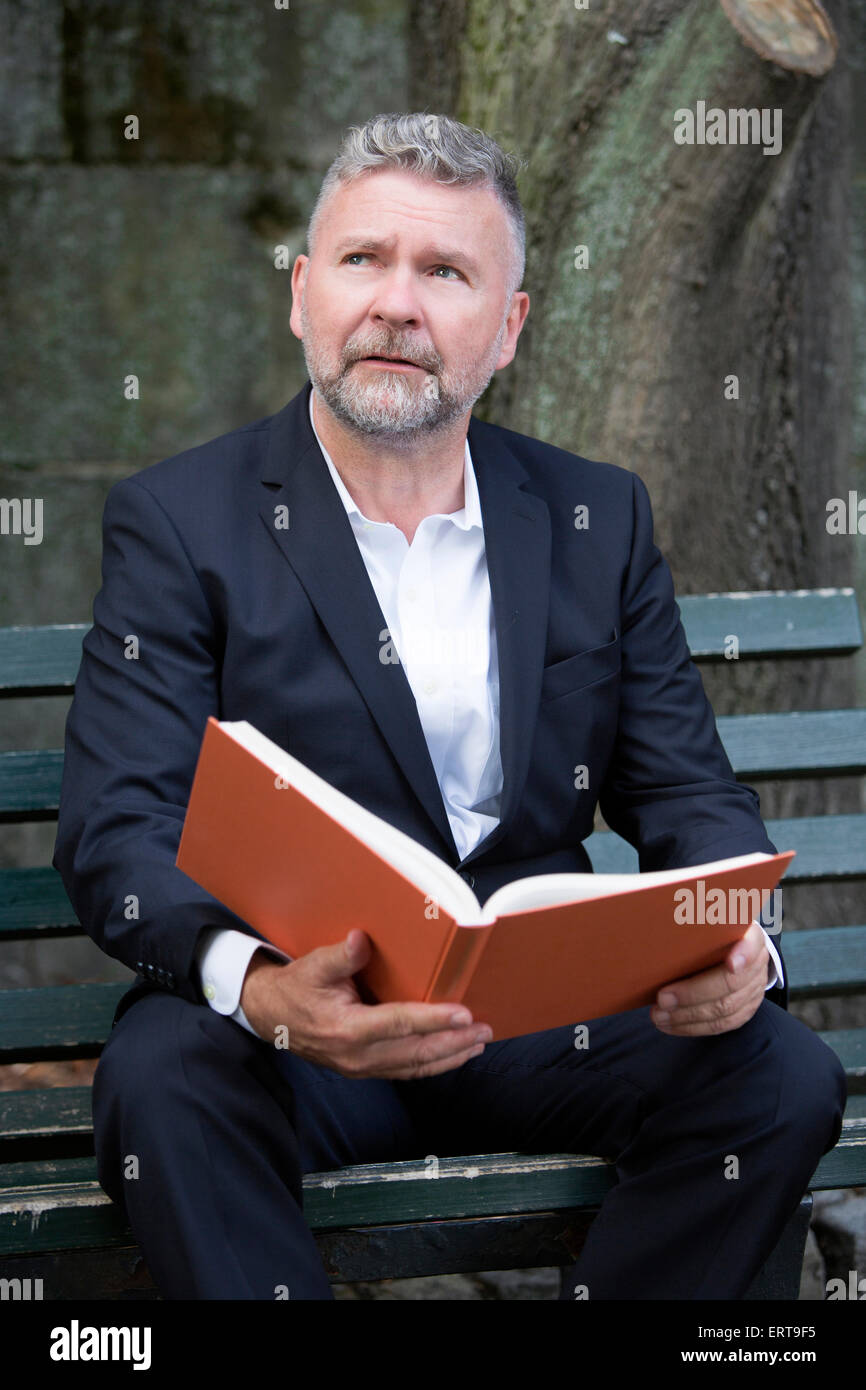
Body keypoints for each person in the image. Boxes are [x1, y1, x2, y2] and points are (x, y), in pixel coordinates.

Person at [53, 111, 846, 1301]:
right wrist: (262, 989)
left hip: (540, 1023)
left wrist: (737, 939)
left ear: (509, 325)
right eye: (364, 260)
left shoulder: (595, 516)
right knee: (161, 1076)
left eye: (446, 272)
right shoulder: (182, 522)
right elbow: (119, 823)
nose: (395, 304)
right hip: (303, 1026)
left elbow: (686, 788)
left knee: (776, 1076)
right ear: (303, 292)